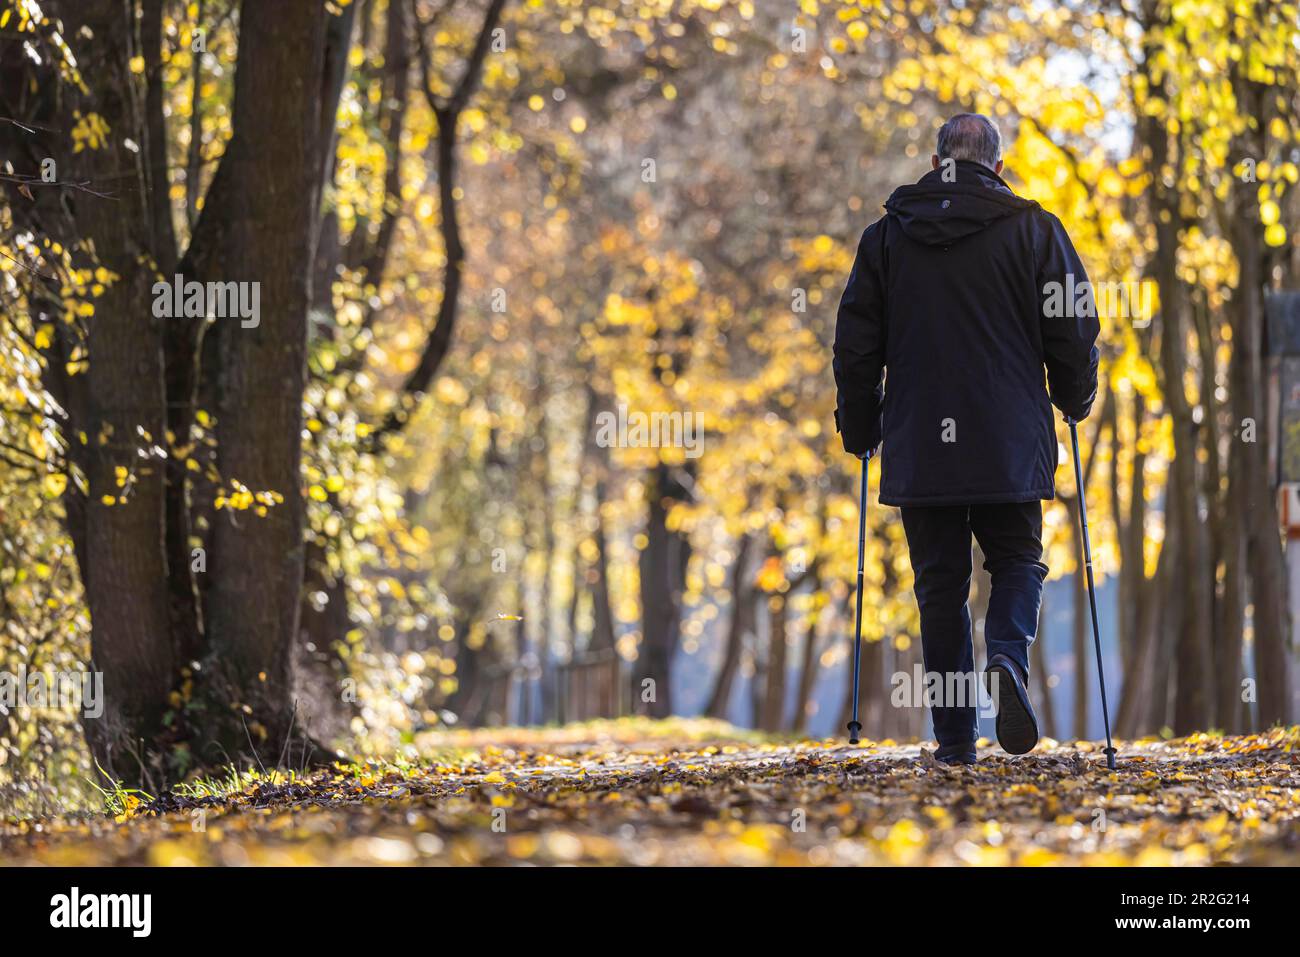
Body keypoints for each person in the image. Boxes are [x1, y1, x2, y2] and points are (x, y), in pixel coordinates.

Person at [832, 113, 1100, 764]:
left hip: (922, 441)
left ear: (934, 163)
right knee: (1017, 562)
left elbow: (856, 347)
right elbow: (1073, 328)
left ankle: (955, 740)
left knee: (940, 586)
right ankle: (1007, 657)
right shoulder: (1037, 232)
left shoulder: (887, 239)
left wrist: (861, 426)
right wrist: (1074, 396)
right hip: (1009, 438)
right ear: (999, 168)